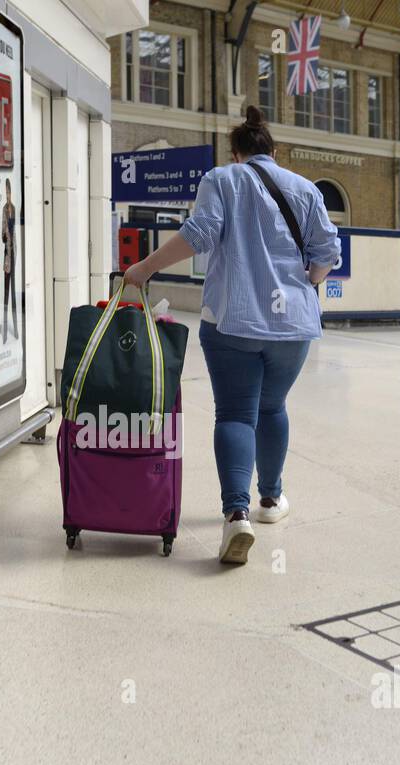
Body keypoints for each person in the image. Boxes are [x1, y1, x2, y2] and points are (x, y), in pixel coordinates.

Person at [123, 106, 340, 565]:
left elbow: (198, 235)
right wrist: (309, 281)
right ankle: (270, 501)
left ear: (237, 153)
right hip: (292, 327)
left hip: (233, 321)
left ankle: (236, 515)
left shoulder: (221, 179)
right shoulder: (305, 189)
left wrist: (143, 269)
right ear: (274, 152)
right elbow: (327, 253)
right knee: (273, 407)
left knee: (237, 414)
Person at [1, 179, 18, 343]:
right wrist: (5, 236)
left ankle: (16, 330)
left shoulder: (13, 208)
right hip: (7, 255)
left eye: (8, 192)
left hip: (15, 255)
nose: (7, 195)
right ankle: (5, 332)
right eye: (5, 192)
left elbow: (16, 233)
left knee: (13, 293)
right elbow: (2, 234)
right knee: (6, 294)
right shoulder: (3, 210)